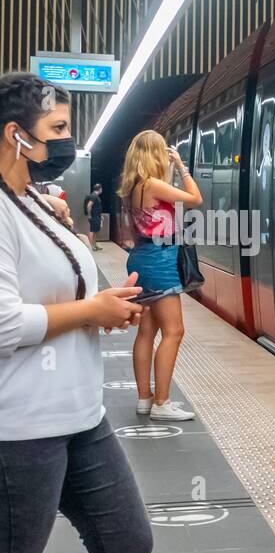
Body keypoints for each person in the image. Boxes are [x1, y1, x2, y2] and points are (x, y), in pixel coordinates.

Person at [0, 72, 160, 553]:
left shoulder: (37, 201)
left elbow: (60, 291)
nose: (66, 141)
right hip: (18, 426)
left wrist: (105, 298)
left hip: (80, 415)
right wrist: (92, 312)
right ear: (17, 134)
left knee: (127, 541)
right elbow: (4, 321)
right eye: (58, 129)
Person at [120, 129, 203, 421]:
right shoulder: (153, 184)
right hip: (160, 260)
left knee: (146, 331)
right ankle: (162, 403)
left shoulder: (132, 187)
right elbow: (195, 198)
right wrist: (181, 167)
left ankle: (146, 398)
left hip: (141, 258)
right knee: (174, 332)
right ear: (156, 155)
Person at [83, 182, 103, 251]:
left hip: (97, 216)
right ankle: (91, 246)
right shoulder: (93, 196)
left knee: (96, 231)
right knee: (92, 231)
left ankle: (95, 244)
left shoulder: (95, 196)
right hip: (94, 216)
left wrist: (100, 216)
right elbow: (89, 205)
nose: (102, 190)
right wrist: (89, 215)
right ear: (99, 189)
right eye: (101, 189)